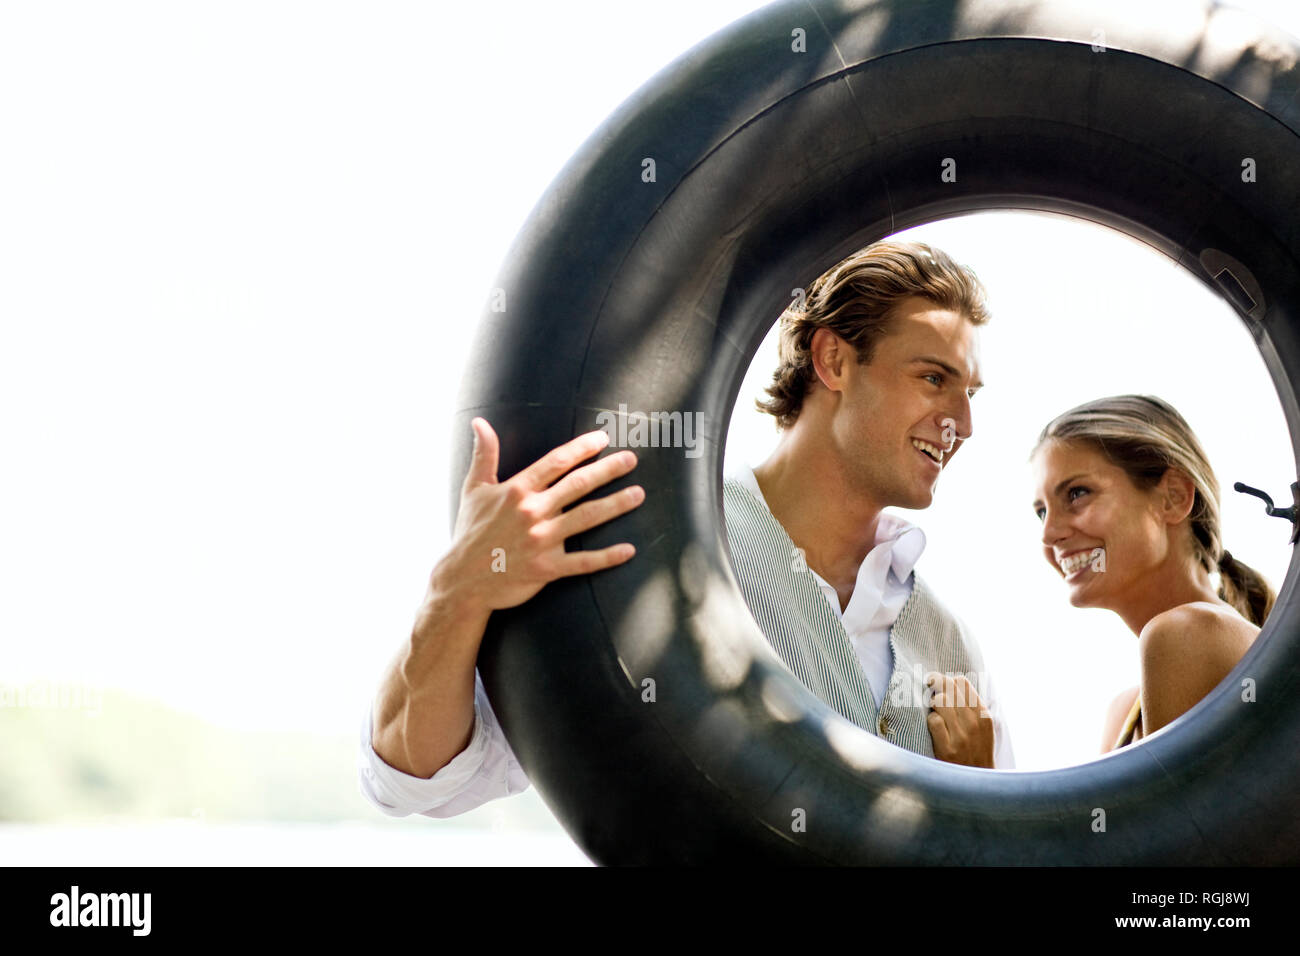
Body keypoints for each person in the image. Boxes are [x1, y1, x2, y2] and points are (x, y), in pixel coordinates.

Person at [360, 240, 1015, 821]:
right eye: (934, 378)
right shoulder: (653, 550)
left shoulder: (946, 641)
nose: (962, 421)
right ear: (833, 361)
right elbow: (413, 780)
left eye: (971, 394)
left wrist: (980, 791)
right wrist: (457, 593)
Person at [1029, 394, 1275, 753]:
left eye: (1077, 493)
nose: (1049, 534)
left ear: (1173, 498)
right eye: (1041, 512)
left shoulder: (1186, 633)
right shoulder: (1125, 708)